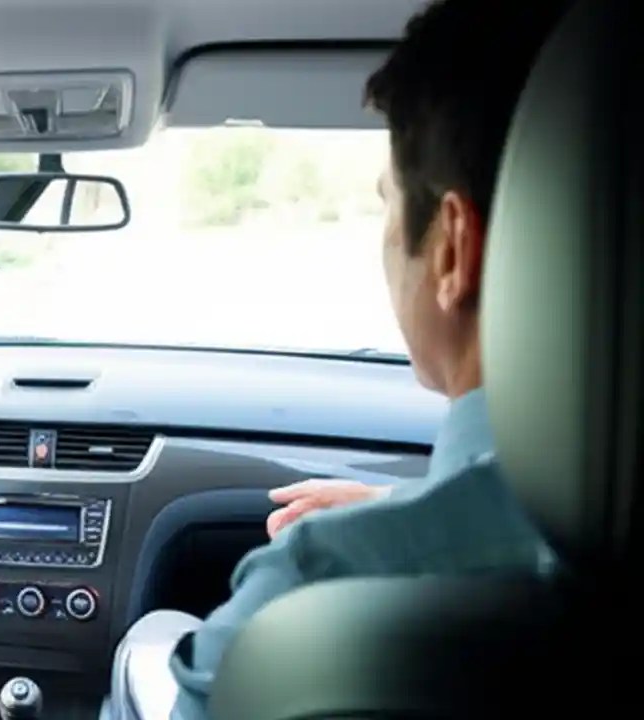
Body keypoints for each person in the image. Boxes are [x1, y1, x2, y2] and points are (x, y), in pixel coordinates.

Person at [108, 1, 568, 717]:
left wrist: (403, 528)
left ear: (452, 247)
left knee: (149, 645)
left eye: (387, 203)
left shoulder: (318, 585)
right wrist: (416, 507)